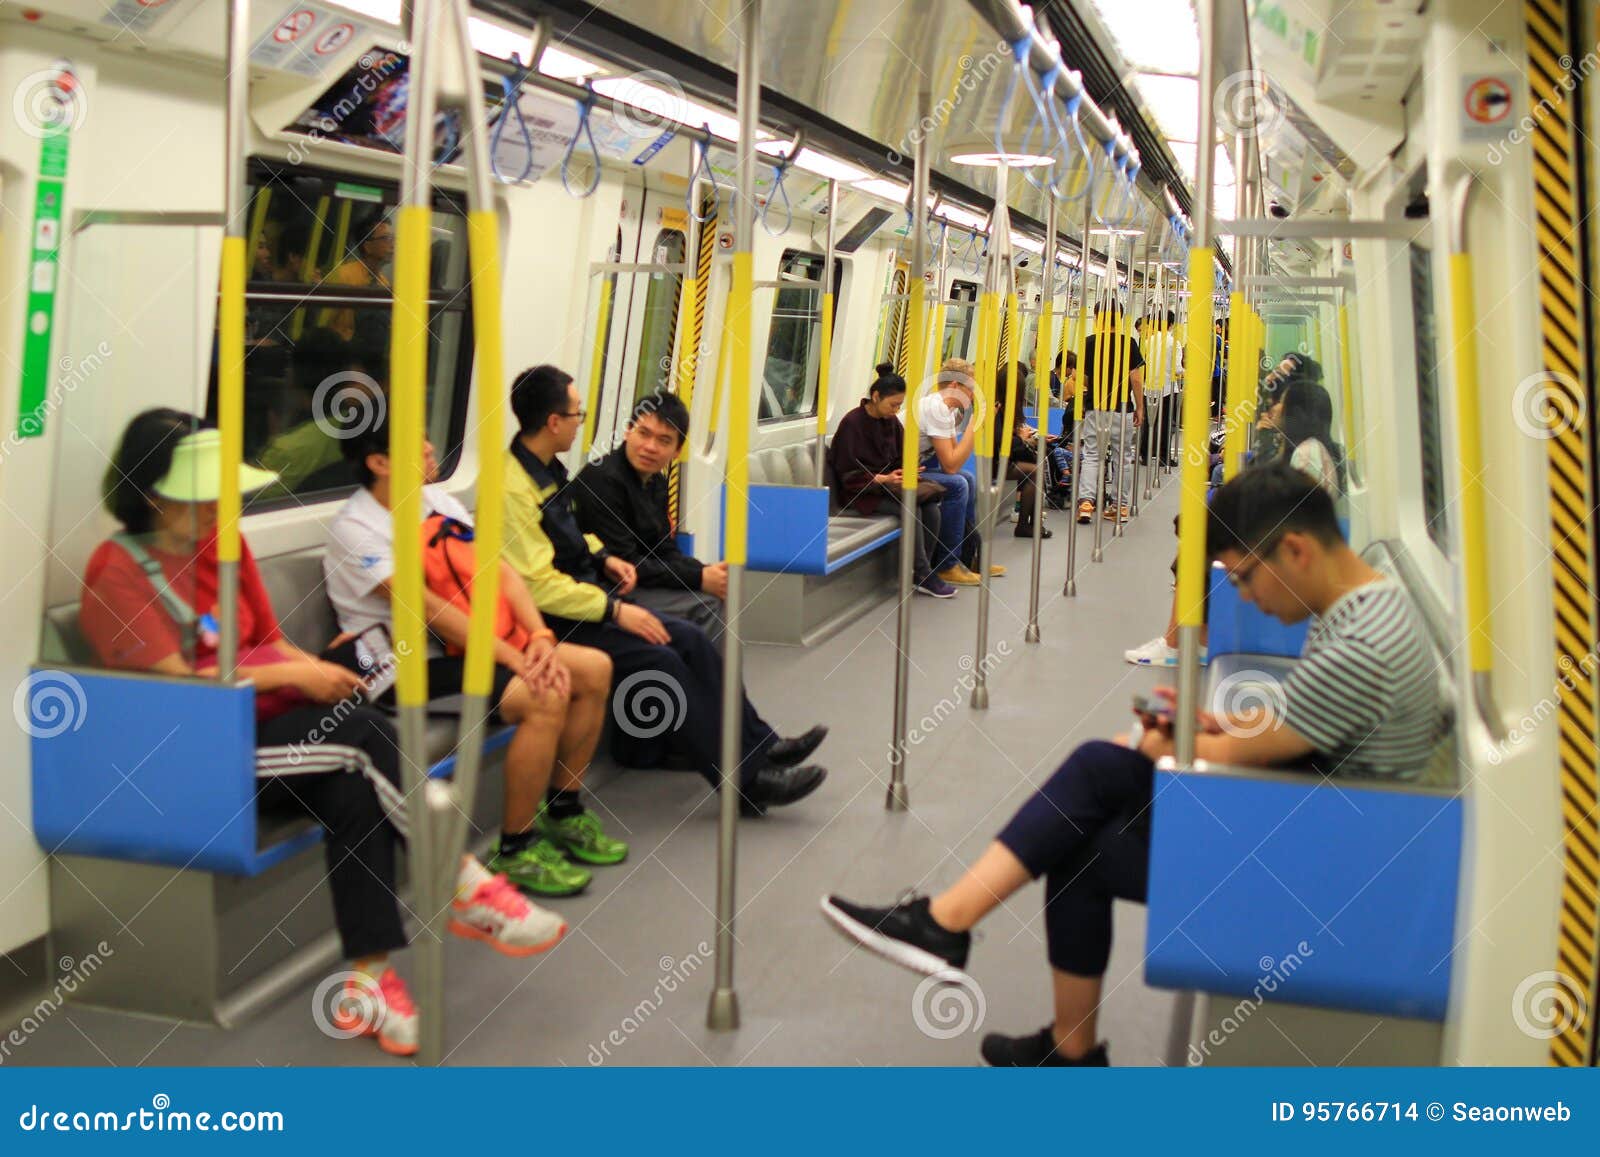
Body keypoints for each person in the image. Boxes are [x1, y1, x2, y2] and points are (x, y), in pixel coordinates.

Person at [822, 464, 1441, 1066]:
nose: (1245, 597)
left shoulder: (1362, 644)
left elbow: (1252, 748)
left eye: (1245, 578)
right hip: (1325, 820)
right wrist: (1211, 721)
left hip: (1328, 862)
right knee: (1078, 844)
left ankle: (946, 924)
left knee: (1098, 770)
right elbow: (1297, 720)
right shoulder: (1364, 609)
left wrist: (1169, 744)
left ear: (1297, 552)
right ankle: (1065, 1045)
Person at [78, 411, 562, 1059]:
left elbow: (267, 637)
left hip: (267, 726)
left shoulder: (225, 542)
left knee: (352, 788)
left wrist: (311, 669)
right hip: (195, 751)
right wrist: (298, 677)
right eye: (203, 492)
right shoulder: (118, 571)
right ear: (150, 494)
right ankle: (457, 877)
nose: (222, 505)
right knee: (362, 737)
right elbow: (179, 686)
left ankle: (369, 979)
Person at [504, 364, 829, 816]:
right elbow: (538, 584)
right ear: (554, 421)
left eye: (664, 440)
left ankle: (758, 744)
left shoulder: (548, 471)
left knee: (693, 637)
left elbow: (577, 541)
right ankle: (747, 781)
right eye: (578, 414)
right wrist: (617, 611)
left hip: (592, 595)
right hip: (560, 617)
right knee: (663, 654)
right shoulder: (517, 488)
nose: (582, 423)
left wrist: (603, 559)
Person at [325, 419, 627, 897]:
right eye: (413, 442)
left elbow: (501, 572)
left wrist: (540, 638)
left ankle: (564, 811)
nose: (428, 447)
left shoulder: (434, 501)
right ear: (379, 463)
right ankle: (516, 847)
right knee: (544, 694)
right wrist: (517, 657)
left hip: (467, 646)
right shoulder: (356, 529)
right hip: (401, 664)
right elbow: (430, 610)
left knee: (594, 669)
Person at [573, 391, 734, 633]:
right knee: (706, 606)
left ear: (677, 451)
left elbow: (662, 549)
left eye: (664, 441)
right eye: (643, 434)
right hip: (603, 586)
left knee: (718, 594)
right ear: (628, 432)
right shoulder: (601, 480)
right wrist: (699, 577)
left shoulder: (656, 483)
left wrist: (704, 571)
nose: (650, 447)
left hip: (637, 581)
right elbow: (627, 562)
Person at [823, 364, 954, 597]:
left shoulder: (891, 423)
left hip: (887, 488)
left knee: (931, 507)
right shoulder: (852, 424)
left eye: (899, 406)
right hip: (860, 493)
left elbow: (899, 459)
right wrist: (881, 479)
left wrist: (907, 471)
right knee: (911, 508)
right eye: (893, 405)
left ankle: (922, 572)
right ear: (875, 397)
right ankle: (922, 572)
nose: (896, 410)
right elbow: (846, 472)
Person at [914, 357, 1006, 586]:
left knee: (968, 479)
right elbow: (951, 464)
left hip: (921, 466)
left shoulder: (947, 410)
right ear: (955, 385)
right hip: (901, 471)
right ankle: (947, 564)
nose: (974, 394)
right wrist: (976, 426)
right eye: (971, 388)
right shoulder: (935, 408)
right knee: (958, 484)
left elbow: (955, 456)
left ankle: (968, 556)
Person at [1075, 301, 1144, 524]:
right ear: (1121, 318)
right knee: (1122, 457)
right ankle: (1120, 507)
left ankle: (1086, 502)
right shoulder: (1129, 343)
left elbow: (1079, 377)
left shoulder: (1089, 343)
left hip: (1096, 406)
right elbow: (1135, 378)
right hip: (1122, 407)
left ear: (1097, 317)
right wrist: (1140, 406)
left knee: (1092, 455)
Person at [991, 364, 1054, 539]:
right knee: (1035, 471)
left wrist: (1023, 439)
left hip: (1000, 458)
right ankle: (1025, 525)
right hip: (995, 462)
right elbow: (1000, 441)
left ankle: (1033, 524)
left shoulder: (1001, 407)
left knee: (1036, 463)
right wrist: (1023, 440)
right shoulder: (997, 408)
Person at [323, 213, 394, 344]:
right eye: (386, 238)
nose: (393, 245)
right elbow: (324, 323)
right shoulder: (342, 275)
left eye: (393, 238)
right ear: (367, 246)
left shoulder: (384, 283)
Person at [1140, 310, 1183, 467]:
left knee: (1149, 421)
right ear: (1171, 324)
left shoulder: (1147, 341)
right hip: (1167, 388)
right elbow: (1177, 369)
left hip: (1149, 387)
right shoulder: (1174, 342)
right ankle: (1163, 456)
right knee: (1165, 423)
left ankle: (1144, 454)